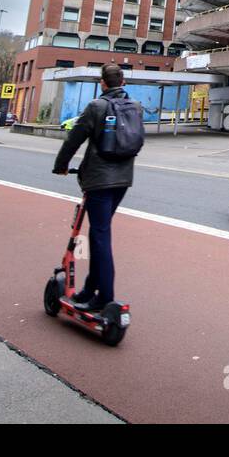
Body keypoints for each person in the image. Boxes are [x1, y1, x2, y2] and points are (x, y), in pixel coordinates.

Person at [51, 64, 143, 311]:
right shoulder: (135, 107)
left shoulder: (96, 106)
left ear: (103, 83)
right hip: (123, 179)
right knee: (98, 233)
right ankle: (89, 290)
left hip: (99, 179)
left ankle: (105, 297)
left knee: (100, 235)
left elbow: (74, 139)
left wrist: (61, 165)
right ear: (122, 82)